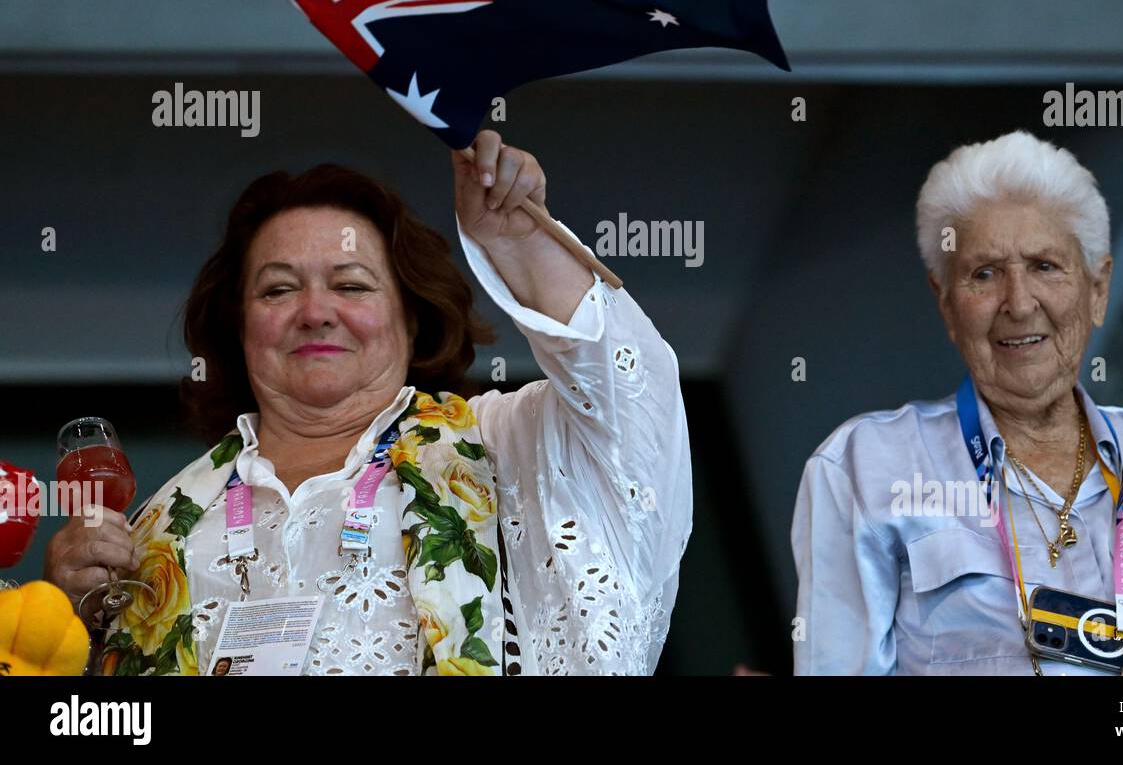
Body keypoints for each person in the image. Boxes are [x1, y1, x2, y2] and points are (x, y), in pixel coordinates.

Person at [45, 130, 692, 676]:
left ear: (413, 318)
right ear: (238, 328)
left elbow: (634, 402)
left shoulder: (508, 443)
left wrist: (517, 243)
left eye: (351, 284)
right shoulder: (161, 520)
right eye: (277, 291)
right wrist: (66, 621)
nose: (315, 312)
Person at [792, 130, 1123, 675]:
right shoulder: (865, 468)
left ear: (1097, 290)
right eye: (984, 274)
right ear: (945, 304)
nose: (1020, 303)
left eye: (1045, 266)